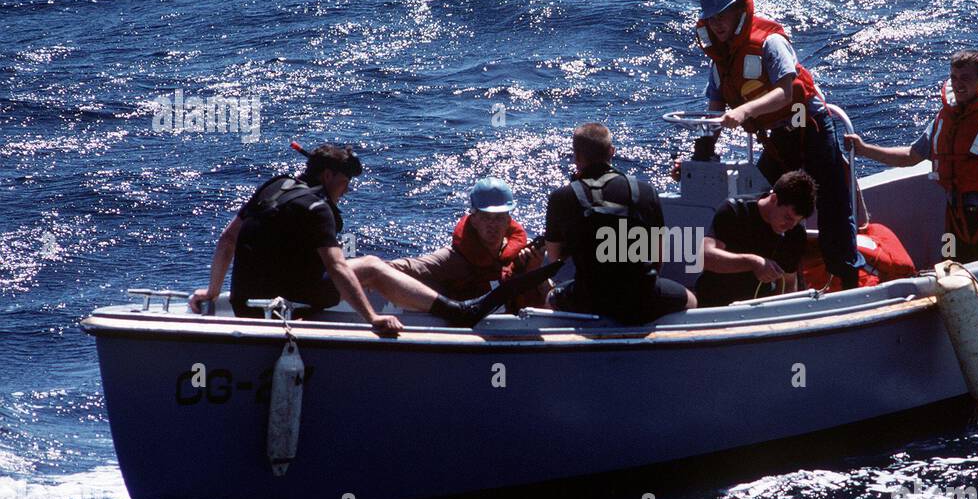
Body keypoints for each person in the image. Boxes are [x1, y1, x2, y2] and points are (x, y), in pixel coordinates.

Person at [189, 144, 542, 334]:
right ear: (328, 176)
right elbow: (338, 268)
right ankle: (459, 313)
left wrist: (213, 292)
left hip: (244, 302)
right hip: (291, 299)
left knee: (367, 269)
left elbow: (226, 241)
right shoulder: (317, 208)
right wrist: (373, 318)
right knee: (371, 266)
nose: (347, 190)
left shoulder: (273, 187)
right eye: (344, 182)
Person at [695, 0, 866, 289]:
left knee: (832, 205)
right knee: (762, 203)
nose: (717, 24)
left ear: (739, 11)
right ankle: (773, 279)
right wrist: (701, 152)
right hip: (777, 138)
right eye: (711, 18)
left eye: (723, 15)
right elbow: (715, 107)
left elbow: (786, 92)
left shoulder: (770, 42)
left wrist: (745, 111)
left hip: (809, 127)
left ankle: (847, 280)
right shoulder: (720, 60)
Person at [845, 49, 978, 263]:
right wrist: (864, 148)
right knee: (951, 268)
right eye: (954, 77)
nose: (958, 84)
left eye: (965, 78)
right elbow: (910, 156)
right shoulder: (945, 120)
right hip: (953, 221)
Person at [544, 122, 696, 323]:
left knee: (549, 299)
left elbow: (555, 258)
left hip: (588, 297)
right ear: (612, 151)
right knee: (691, 300)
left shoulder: (561, 197)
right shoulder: (646, 192)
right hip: (642, 296)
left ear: (577, 156)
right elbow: (658, 257)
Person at [385, 177, 548, 308]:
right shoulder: (452, 259)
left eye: (499, 218)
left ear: (508, 221)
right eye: (485, 217)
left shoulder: (525, 256)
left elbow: (546, 301)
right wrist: (372, 270)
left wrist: (535, 272)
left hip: (513, 333)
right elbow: (409, 267)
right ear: (474, 220)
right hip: (470, 335)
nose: (492, 225)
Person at [694, 170, 815, 307]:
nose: (790, 226)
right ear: (774, 199)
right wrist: (753, 262)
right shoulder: (735, 211)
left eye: (796, 221)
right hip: (715, 304)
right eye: (787, 217)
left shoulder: (794, 232)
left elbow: (788, 283)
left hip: (758, 308)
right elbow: (704, 257)